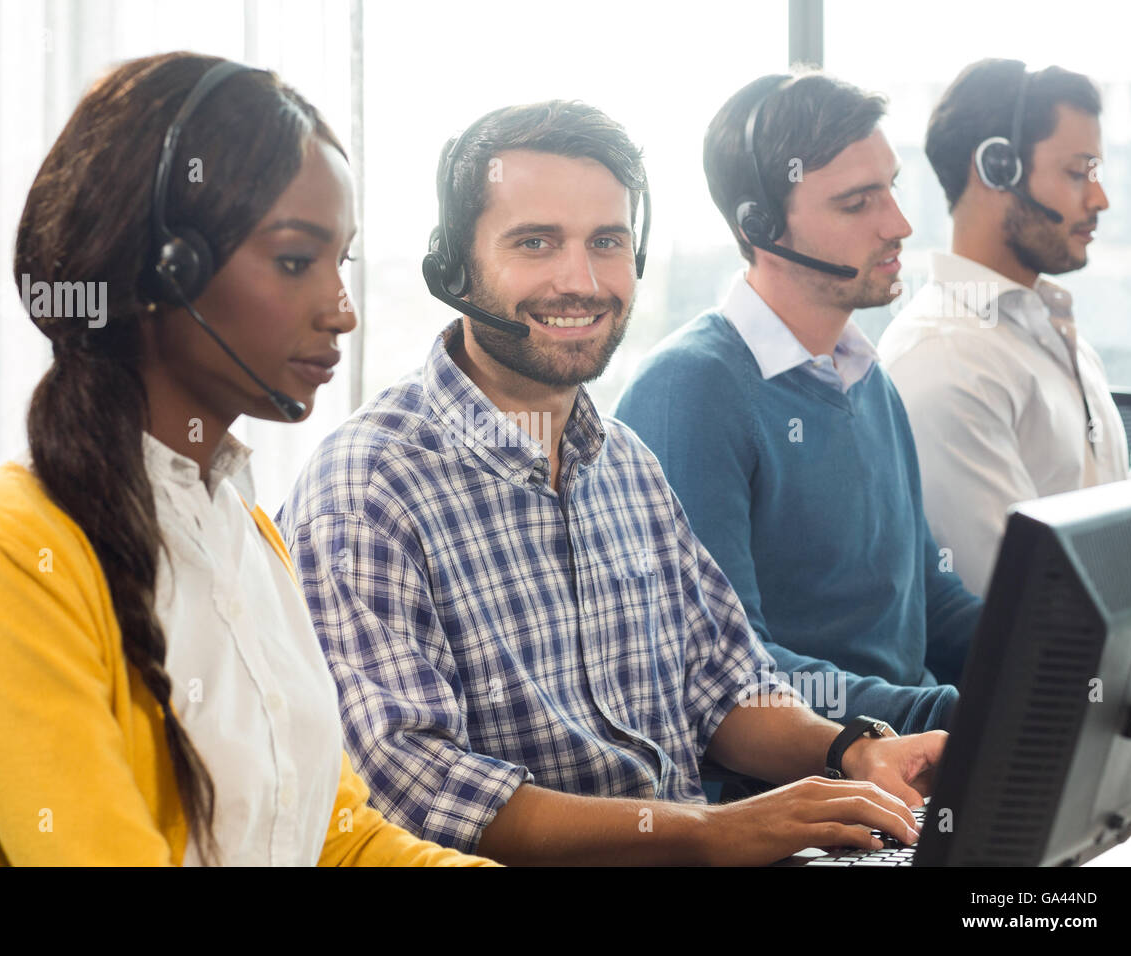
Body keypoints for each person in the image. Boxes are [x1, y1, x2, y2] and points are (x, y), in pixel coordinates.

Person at [279, 99, 944, 867]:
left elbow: (726, 689)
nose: (582, 280)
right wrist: (712, 833)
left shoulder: (624, 462)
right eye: (536, 243)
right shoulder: (367, 489)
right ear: (454, 268)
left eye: (607, 242)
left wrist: (855, 751)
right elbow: (421, 794)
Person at [0, 52, 491, 867]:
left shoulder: (240, 528)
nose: (342, 311)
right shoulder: (5, 557)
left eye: (343, 263)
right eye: (297, 261)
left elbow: (338, 840)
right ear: (162, 268)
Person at [614, 73, 980, 736]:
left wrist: (1059, 663)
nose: (898, 225)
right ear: (761, 226)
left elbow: (929, 599)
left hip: (905, 757)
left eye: (891, 188)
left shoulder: (866, 377)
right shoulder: (690, 392)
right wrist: (937, 717)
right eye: (857, 203)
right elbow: (724, 668)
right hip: (803, 778)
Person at [878, 60, 1128, 595]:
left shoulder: (1056, 336)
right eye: (1078, 173)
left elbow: (1114, 550)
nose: (1100, 199)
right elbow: (1017, 603)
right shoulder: (944, 360)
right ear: (996, 168)